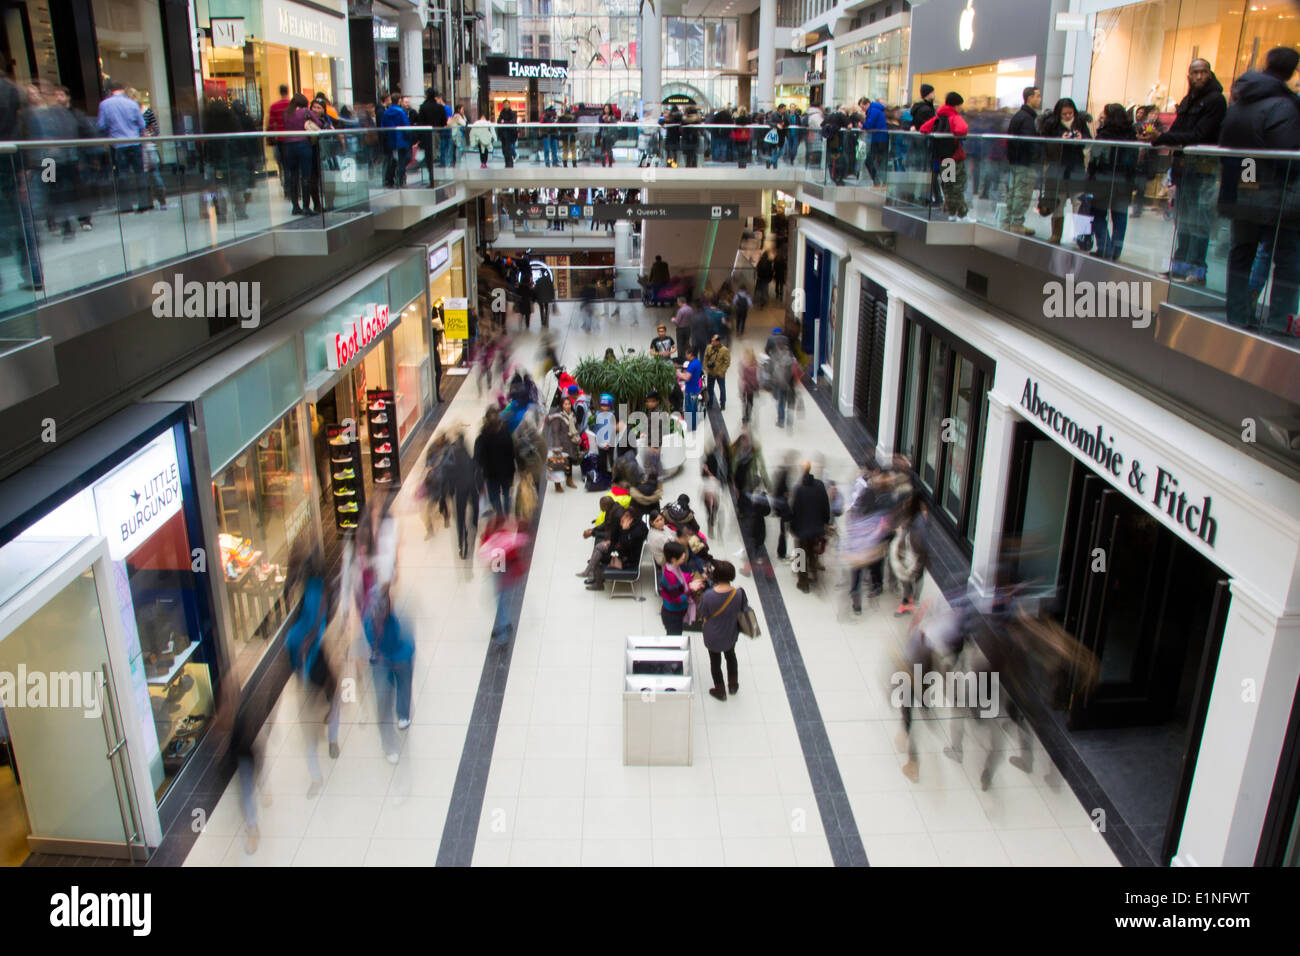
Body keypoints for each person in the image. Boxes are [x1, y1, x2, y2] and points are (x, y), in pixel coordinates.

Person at [1217, 46, 1300, 332]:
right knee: (1287, 258)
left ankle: (1238, 313)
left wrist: (1247, 182)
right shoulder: (1284, 106)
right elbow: (1286, 154)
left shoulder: (1241, 103)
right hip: (1276, 193)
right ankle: (1280, 321)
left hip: (1244, 188)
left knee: (1242, 253)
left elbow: (1232, 148)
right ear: (1292, 71)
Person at [1140, 59, 1227, 284]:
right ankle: (1180, 266)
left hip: (1203, 167)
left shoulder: (1215, 100)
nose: (1199, 77)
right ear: (1189, 75)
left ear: (1210, 74)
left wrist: (1163, 138)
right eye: (1195, 73)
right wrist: (1157, 137)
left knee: (1198, 221)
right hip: (1186, 167)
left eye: (1203, 72)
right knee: (1185, 221)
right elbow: (1180, 129)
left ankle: (1197, 270)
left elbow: (1200, 134)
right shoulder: (1190, 99)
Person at [283, 542, 340, 793]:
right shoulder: (320, 594)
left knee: (310, 727)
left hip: (308, 670)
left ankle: (317, 775)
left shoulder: (296, 635)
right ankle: (332, 739)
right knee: (335, 697)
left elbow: (295, 648)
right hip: (317, 666)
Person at [363, 586, 415, 763]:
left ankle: (403, 713)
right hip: (382, 663)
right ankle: (389, 745)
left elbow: (409, 641)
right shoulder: (369, 623)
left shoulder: (399, 618)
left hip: (400, 657)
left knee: (404, 685)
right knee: (383, 704)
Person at [1088, 103, 1139, 261]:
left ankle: (1104, 247)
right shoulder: (1131, 134)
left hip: (1104, 178)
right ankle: (1116, 250)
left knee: (1098, 213)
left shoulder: (1104, 134)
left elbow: (1095, 157)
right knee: (1119, 215)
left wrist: (1090, 176)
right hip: (1124, 180)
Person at [1037, 97, 1091, 244]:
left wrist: (1081, 138)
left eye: (1070, 113)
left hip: (1076, 168)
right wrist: (1060, 139)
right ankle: (1056, 234)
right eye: (1065, 113)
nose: (1068, 116)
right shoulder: (1051, 125)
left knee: (1079, 202)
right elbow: (1045, 144)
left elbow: (1089, 140)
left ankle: (1081, 236)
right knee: (1058, 202)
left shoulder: (1080, 123)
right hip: (1057, 169)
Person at [699, 560, 748, 700]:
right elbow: (743, 609)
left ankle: (720, 691)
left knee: (715, 662)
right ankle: (733, 685)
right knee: (731, 656)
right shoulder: (739, 593)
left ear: (715, 576)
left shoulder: (708, 596)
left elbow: (703, 612)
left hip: (712, 635)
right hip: (731, 633)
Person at [97, 79, 147, 214]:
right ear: (123, 89)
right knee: (139, 173)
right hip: (134, 142)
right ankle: (144, 203)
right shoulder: (132, 104)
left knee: (122, 175)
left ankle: (126, 206)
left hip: (118, 144)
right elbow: (142, 124)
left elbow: (101, 125)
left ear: (110, 91)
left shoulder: (104, 104)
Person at [919, 92, 970, 221]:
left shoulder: (939, 117)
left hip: (944, 158)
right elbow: (962, 129)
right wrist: (954, 135)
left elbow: (924, 128)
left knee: (948, 186)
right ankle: (961, 214)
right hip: (955, 157)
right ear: (957, 105)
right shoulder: (954, 117)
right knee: (957, 186)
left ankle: (952, 213)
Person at [1002, 87, 1043, 234]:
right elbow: (1029, 142)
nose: (1040, 99)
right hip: (1024, 162)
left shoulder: (1020, 115)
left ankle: (1009, 221)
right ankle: (1016, 222)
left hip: (1016, 161)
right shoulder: (1027, 118)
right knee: (1022, 192)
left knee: (1014, 191)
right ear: (1029, 98)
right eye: (1037, 96)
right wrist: (1037, 155)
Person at [790, 460, 830, 593]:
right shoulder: (820, 485)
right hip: (817, 528)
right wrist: (825, 522)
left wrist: (793, 528)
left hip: (802, 531)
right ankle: (814, 574)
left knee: (801, 555)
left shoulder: (799, 489)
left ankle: (803, 582)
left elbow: (795, 511)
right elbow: (825, 506)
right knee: (813, 554)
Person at [890, 496, 929, 616]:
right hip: (910, 554)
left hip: (914, 556)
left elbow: (917, 542)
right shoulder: (914, 518)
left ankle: (909, 602)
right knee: (908, 578)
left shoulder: (918, 522)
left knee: (910, 578)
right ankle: (910, 601)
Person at [474, 405, 515, 515]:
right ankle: (506, 512)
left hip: (491, 474)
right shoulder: (505, 433)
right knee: (506, 492)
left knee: (494, 495)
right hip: (506, 471)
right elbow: (511, 452)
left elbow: (478, 457)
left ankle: (500, 514)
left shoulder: (482, 437)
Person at [660, 541, 700, 635]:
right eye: (682, 558)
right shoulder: (671, 577)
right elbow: (677, 599)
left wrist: (691, 577)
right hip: (673, 615)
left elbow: (681, 577)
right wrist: (691, 588)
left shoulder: (672, 567)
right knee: (674, 639)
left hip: (675, 613)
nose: (684, 560)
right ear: (674, 559)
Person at [380, 91, 411, 188]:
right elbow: (406, 127)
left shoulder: (386, 112)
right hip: (402, 140)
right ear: (399, 101)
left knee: (392, 160)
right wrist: (410, 138)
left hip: (391, 140)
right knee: (403, 160)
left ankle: (391, 179)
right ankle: (399, 179)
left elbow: (383, 127)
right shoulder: (401, 112)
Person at [266, 84, 293, 197]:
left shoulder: (274, 107)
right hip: (293, 138)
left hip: (281, 140)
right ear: (288, 91)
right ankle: (295, 189)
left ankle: (287, 189)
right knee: (293, 165)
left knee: (284, 166)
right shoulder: (292, 105)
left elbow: (271, 124)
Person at [678, 346, 704, 431]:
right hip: (696, 389)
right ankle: (693, 426)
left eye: (687, 354)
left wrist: (678, 373)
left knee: (689, 410)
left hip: (690, 390)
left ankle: (690, 427)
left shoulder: (692, 365)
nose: (686, 355)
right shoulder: (698, 362)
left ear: (690, 354)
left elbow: (687, 378)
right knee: (694, 409)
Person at [703, 333, 730, 411]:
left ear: (718, 342)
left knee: (722, 388)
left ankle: (723, 403)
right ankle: (710, 402)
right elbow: (706, 358)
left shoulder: (724, 350)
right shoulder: (709, 348)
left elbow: (727, 362)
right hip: (711, 372)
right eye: (711, 341)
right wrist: (706, 368)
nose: (712, 343)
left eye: (713, 341)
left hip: (720, 373)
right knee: (710, 388)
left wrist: (722, 371)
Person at [497, 99, 518, 168]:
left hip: (510, 134)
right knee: (504, 149)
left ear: (509, 104)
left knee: (509, 149)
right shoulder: (502, 113)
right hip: (503, 135)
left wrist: (504, 122)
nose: (506, 105)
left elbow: (513, 121)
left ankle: (510, 163)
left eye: (507, 104)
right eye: (504, 104)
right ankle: (507, 163)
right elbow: (499, 121)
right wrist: (504, 122)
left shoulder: (513, 113)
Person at [672, 294, 692, 361]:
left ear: (680, 302)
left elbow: (677, 322)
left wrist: (673, 320)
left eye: (678, 302)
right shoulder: (690, 309)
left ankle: (681, 359)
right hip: (688, 328)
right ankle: (688, 357)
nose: (677, 303)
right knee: (687, 343)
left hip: (681, 330)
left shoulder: (681, 311)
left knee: (680, 345)